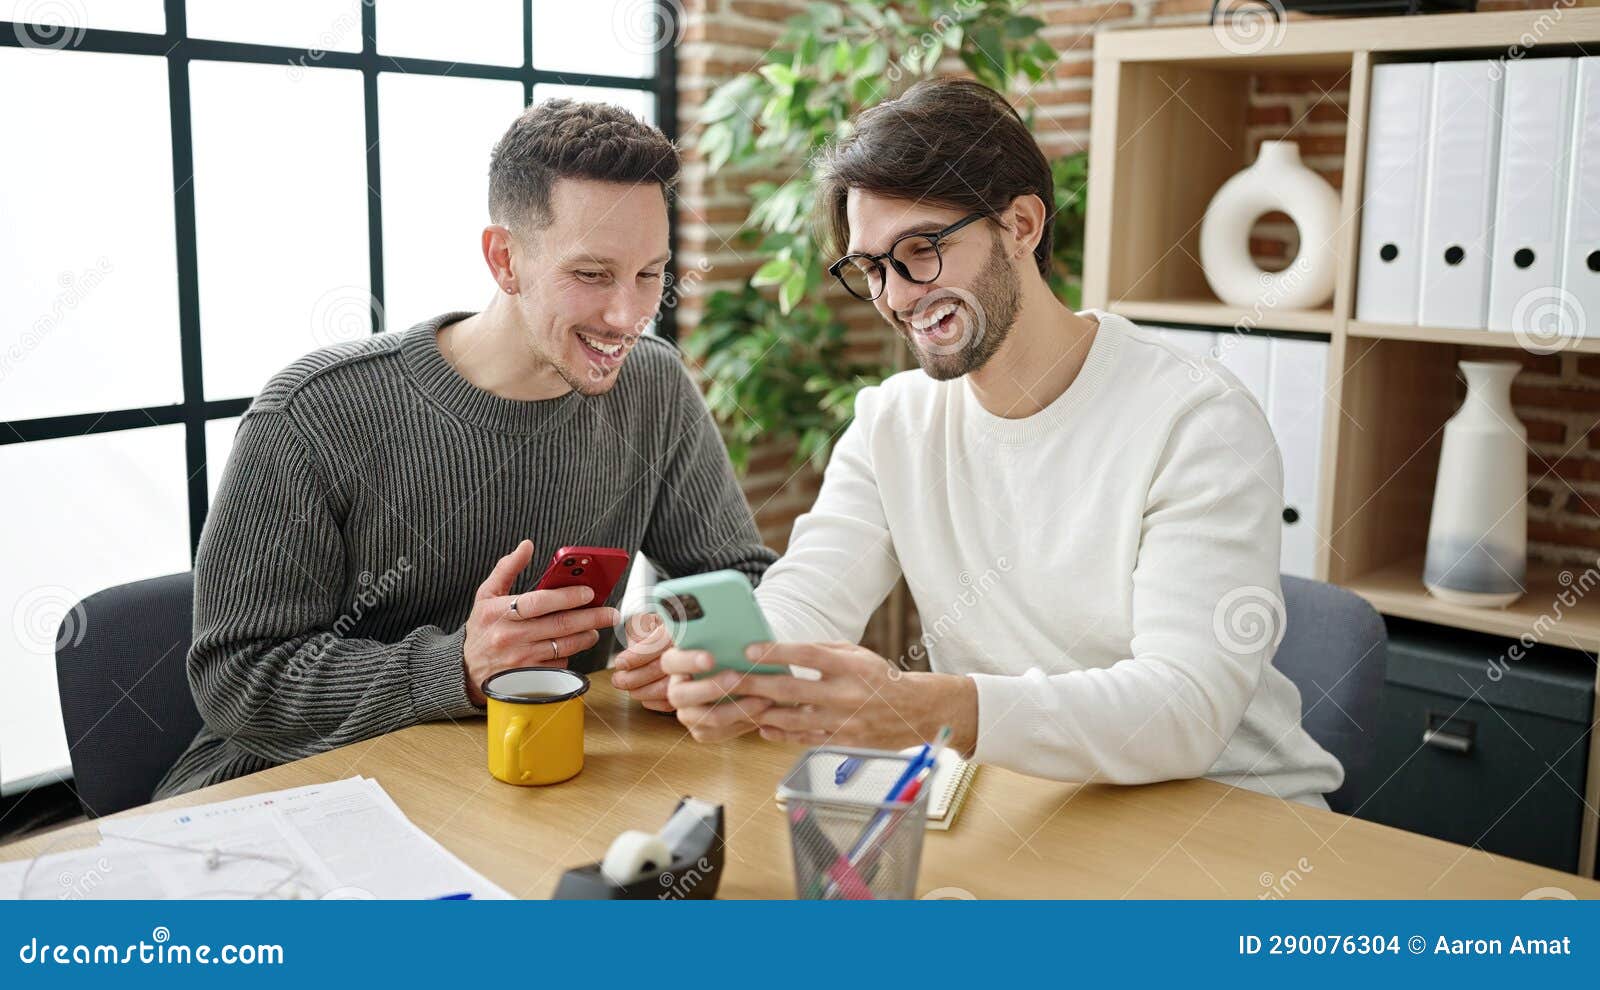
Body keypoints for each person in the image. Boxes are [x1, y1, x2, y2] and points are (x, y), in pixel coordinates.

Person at [644, 78, 1343, 808]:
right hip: (1035, 805)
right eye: (872, 269)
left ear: (1021, 226)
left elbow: (1185, 709)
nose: (898, 296)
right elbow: (809, 601)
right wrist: (730, 666)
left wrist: (938, 710)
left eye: (921, 249)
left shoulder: (1195, 418)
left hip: (1230, 814)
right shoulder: (892, 422)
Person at [155, 100, 774, 798]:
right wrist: (458, 668)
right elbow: (237, 678)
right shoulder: (316, 413)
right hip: (296, 792)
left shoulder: (654, 386)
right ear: (505, 259)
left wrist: (682, 644)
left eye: (650, 274)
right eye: (593, 275)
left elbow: (740, 578)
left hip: (539, 776)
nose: (628, 316)